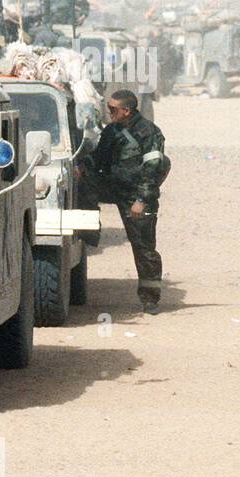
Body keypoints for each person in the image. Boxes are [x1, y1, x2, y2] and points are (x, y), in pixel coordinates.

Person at [83, 89, 167, 313]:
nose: (109, 113)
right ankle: (89, 231)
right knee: (83, 183)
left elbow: (152, 171)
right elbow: (99, 158)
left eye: (113, 109)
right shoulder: (112, 131)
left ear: (127, 111)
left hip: (137, 194)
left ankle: (150, 298)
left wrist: (141, 200)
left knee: (144, 247)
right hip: (115, 187)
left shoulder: (148, 132)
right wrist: (83, 167)